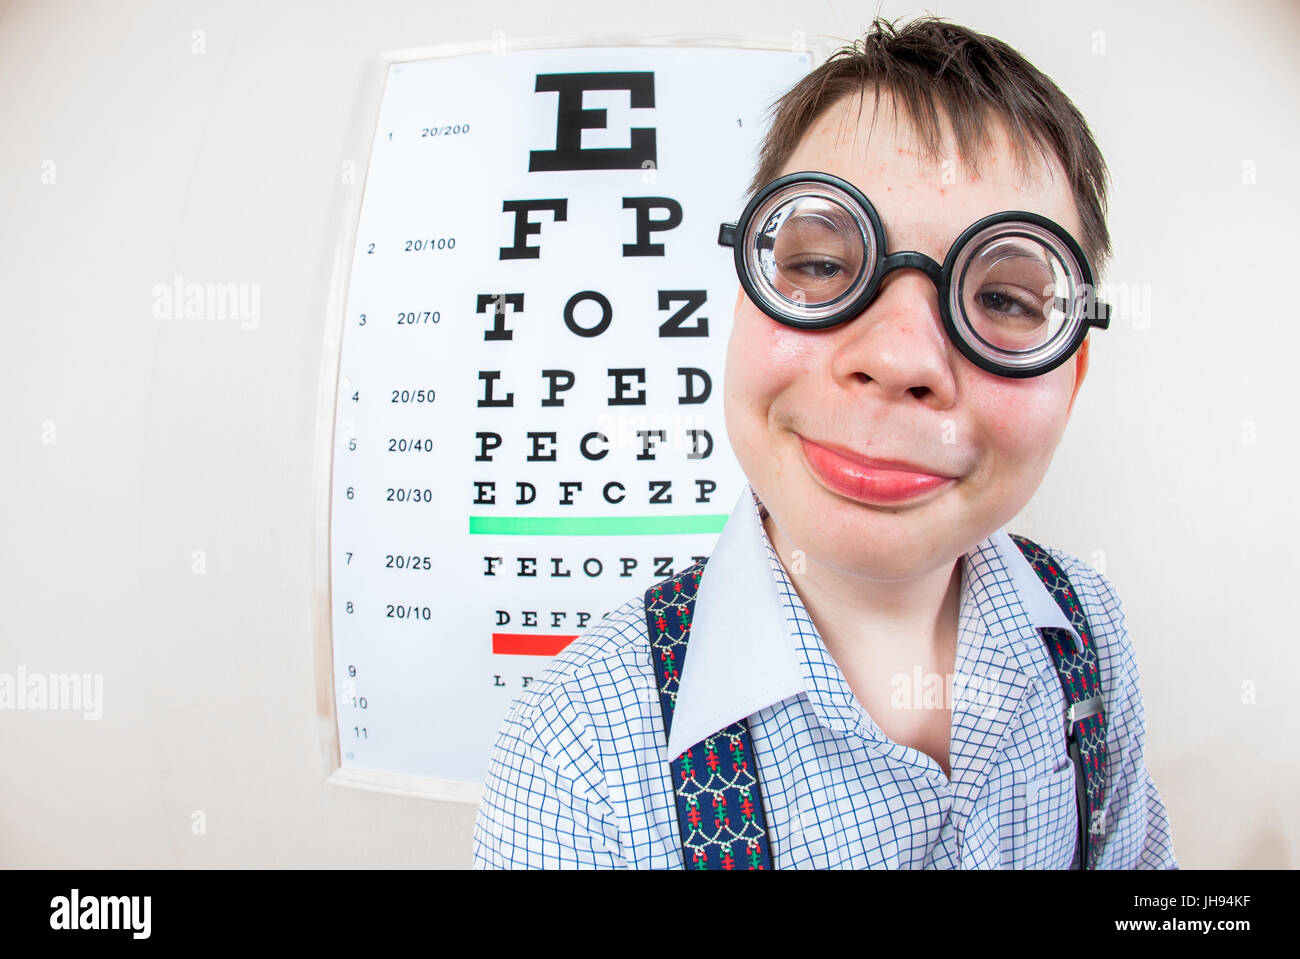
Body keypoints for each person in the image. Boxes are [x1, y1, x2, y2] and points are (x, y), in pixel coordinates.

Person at [472, 15, 1177, 869]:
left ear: (1074, 372)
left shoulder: (1090, 631)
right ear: (743, 305)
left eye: (1004, 300)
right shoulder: (574, 757)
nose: (897, 358)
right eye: (817, 265)